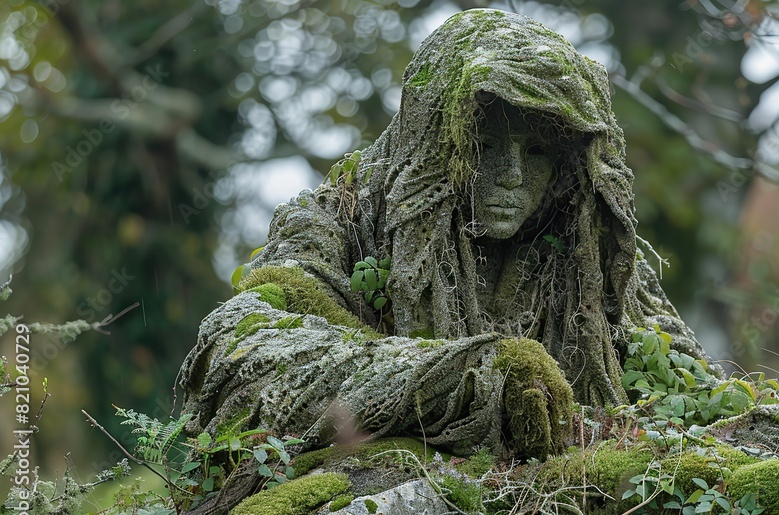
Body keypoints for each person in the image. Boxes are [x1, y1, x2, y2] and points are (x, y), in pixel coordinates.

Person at [179, 8, 715, 460]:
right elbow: (237, 354)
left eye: (535, 153)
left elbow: (691, 387)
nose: (510, 175)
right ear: (439, 146)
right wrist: (468, 379)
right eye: (487, 145)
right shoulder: (338, 220)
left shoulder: (585, 264)